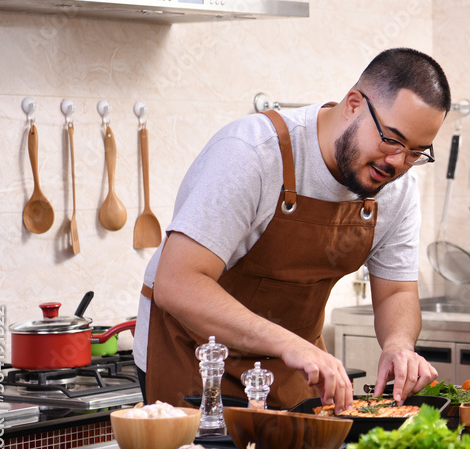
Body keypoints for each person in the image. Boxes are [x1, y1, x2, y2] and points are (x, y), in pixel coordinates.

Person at [134, 48, 451, 414]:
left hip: (291, 368)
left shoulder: (395, 187)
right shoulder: (252, 152)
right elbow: (177, 283)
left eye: (415, 152)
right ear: (353, 105)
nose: (397, 163)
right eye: (391, 140)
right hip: (195, 363)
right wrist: (290, 343)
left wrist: (399, 345)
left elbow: (395, 290)